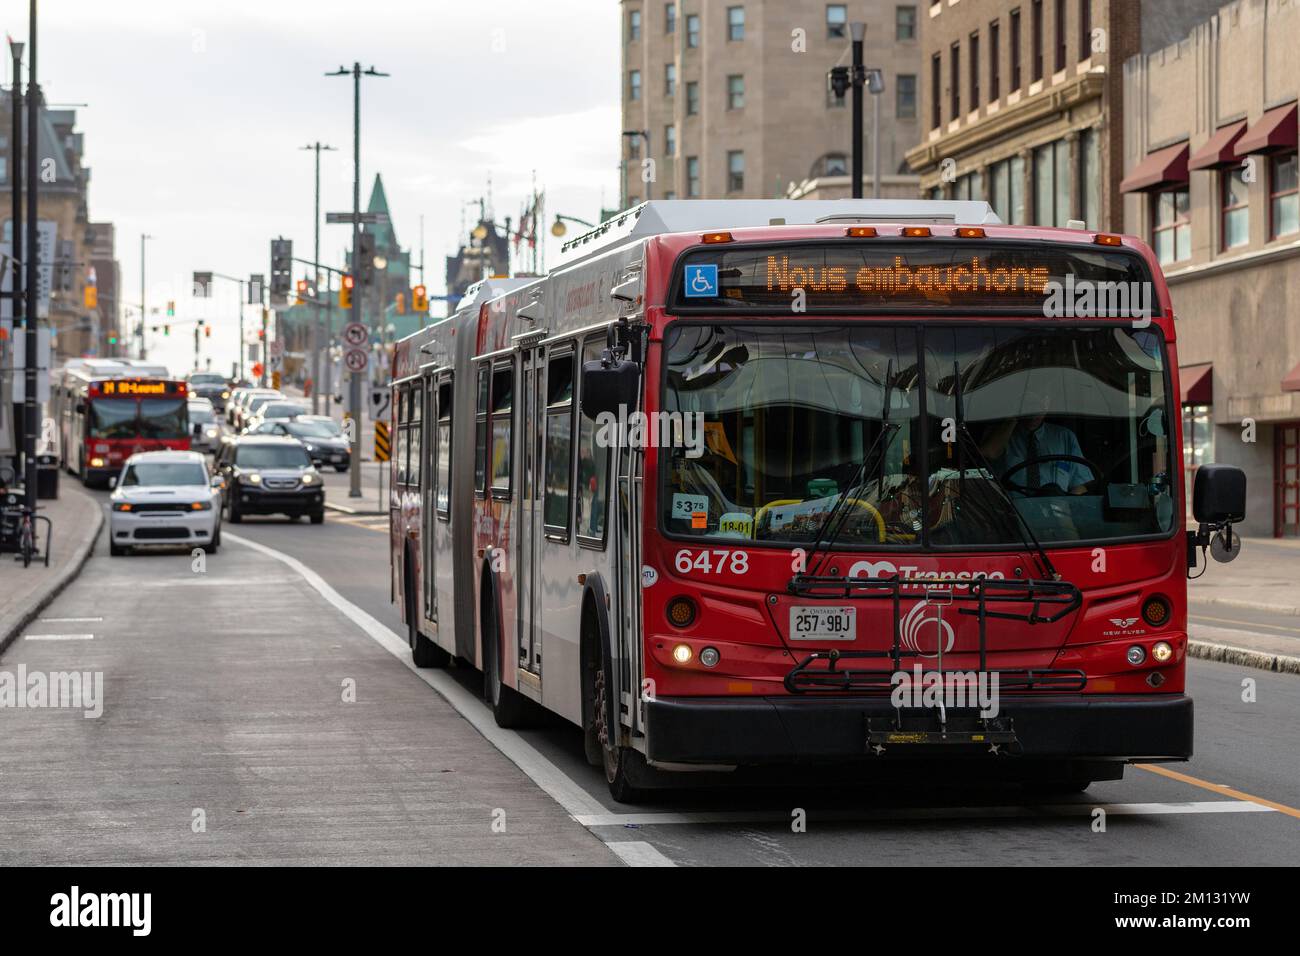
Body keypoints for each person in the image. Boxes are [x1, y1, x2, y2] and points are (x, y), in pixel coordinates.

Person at [979, 390, 1092, 494]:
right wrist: (1014, 417)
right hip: (1012, 511)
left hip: (1056, 509)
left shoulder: (1065, 437)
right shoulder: (999, 434)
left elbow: (1079, 485)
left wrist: (1071, 507)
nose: (1035, 412)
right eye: (1029, 404)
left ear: (1048, 405)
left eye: (1042, 403)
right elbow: (989, 453)